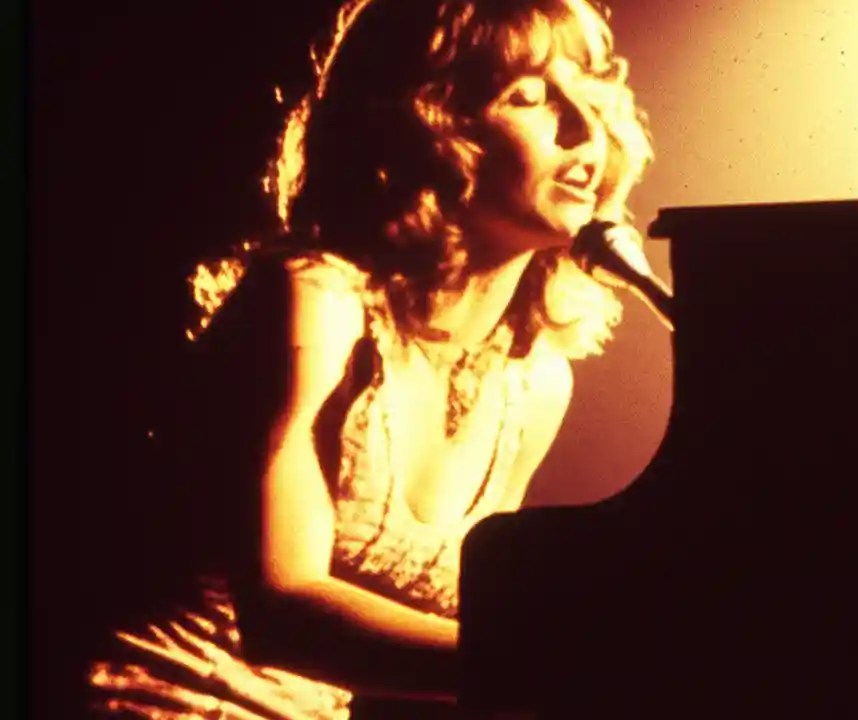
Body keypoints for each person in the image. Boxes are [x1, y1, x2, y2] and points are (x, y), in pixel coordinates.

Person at [85, 0, 653, 716]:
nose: (584, 127)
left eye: (589, 91)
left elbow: (469, 631)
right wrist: (579, 662)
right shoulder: (315, 304)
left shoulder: (535, 383)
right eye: (530, 97)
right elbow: (281, 611)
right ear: (433, 132)